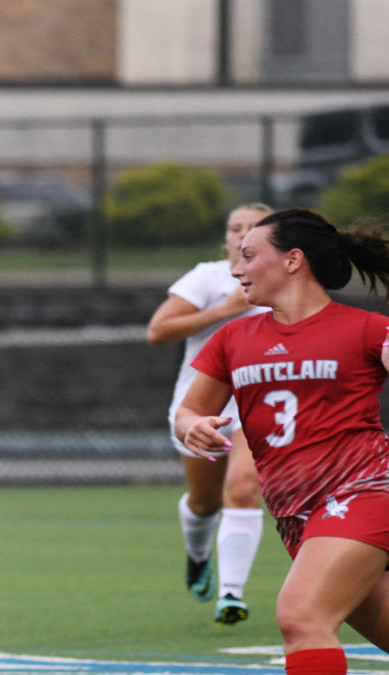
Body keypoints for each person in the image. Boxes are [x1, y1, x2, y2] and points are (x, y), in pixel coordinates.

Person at [175, 207, 389, 675]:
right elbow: (189, 410)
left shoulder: (368, 329)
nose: (236, 268)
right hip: (300, 516)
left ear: (293, 260)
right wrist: (193, 425)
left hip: (367, 492)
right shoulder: (233, 338)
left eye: (248, 255)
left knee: (301, 614)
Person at [148, 203, 274, 625]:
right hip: (202, 404)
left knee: (242, 489)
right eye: (235, 228)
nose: (242, 235)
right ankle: (198, 556)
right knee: (204, 502)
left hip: (258, 404)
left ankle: (231, 594)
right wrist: (225, 309)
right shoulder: (208, 277)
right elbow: (157, 331)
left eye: (253, 227)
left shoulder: (286, 282)